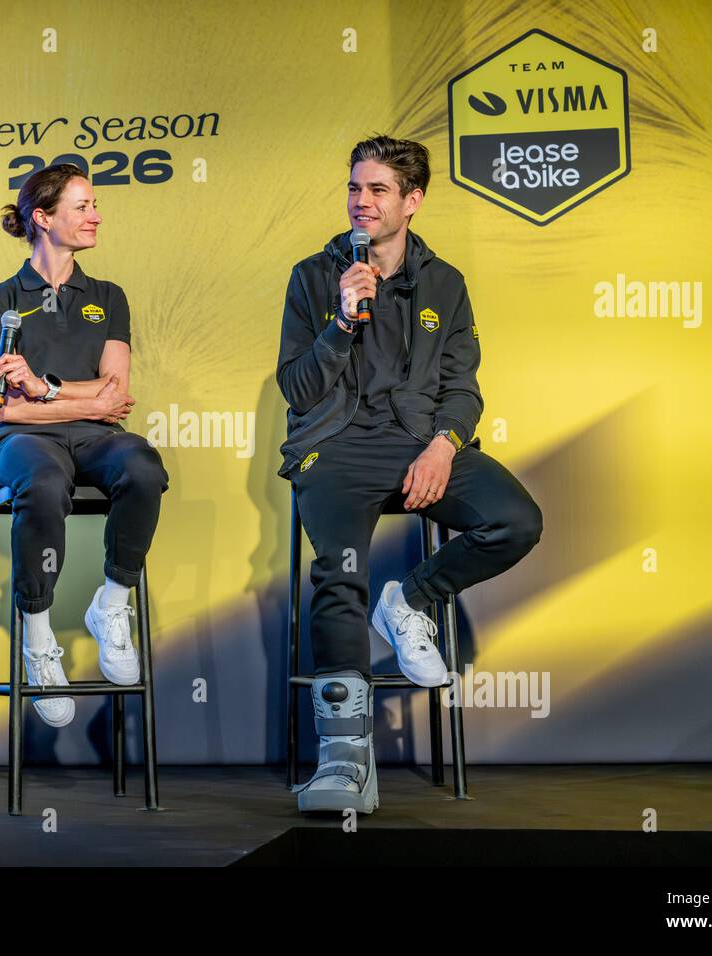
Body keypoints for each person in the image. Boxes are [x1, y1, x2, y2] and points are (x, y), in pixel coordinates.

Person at [276, 134, 544, 813]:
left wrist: (445, 444)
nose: (360, 202)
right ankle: (342, 759)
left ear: (413, 201)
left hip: (420, 444)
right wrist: (340, 320)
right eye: (354, 188)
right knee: (338, 573)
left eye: (378, 190)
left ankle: (411, 600)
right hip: (334, 448)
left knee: (516, 521)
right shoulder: (313, 276)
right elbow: (299, 389)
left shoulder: (445, 284)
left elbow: (464, 387)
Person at [0, 163, 169, 728]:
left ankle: (111, 604)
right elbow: (2, 406)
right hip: (18, 439)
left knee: (143, 468)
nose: (95, 215)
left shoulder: (107, 296)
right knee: (42, 480)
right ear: (43, 217)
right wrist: (67, 400)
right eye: (82, 206)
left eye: (93, 205)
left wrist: (44, 387)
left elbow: (118, 393)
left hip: (94, 438)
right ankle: (36, 631)